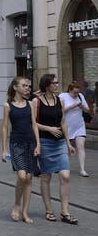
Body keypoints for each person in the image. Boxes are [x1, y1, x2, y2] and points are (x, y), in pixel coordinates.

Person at [33, 74, 77, 225]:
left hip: (60, 144)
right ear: (46, 85)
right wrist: (49, 128)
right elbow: (32, 123)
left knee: (65, 176)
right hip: (45, 142)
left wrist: (69, 143)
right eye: (54, 83)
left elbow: (63, 122)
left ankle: (65, 212)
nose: (57, 85)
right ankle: (49, 210)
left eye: (57, 83)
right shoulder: (36, 101)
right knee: (46, 177)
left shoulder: (60, 100)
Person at [1, 77, 40, 224]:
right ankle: (17, 205)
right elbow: (5, 127)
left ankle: (25, 212)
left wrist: (38, 145)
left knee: (29, 178)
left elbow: (34, 125)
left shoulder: (30, 104)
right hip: (16, 144)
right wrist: (4, 149)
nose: (27, 88)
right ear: (15, 87)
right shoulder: (8, 105)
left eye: (28, 86)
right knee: (22, 176)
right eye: (24, 85)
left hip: (30, 143)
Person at [60, 81, 90, 177]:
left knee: (81, 147)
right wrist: (72, 106)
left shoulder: (80, 96)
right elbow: (60, 111)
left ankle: (82, 169)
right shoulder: (63, 96)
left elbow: (87, 110)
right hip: (67, 126)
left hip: (79, 125)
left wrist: (82, 106)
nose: (76, 94)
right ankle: (63, 167)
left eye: (78, 92)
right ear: (70, 90)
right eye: (74, 93)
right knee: (66, 149)